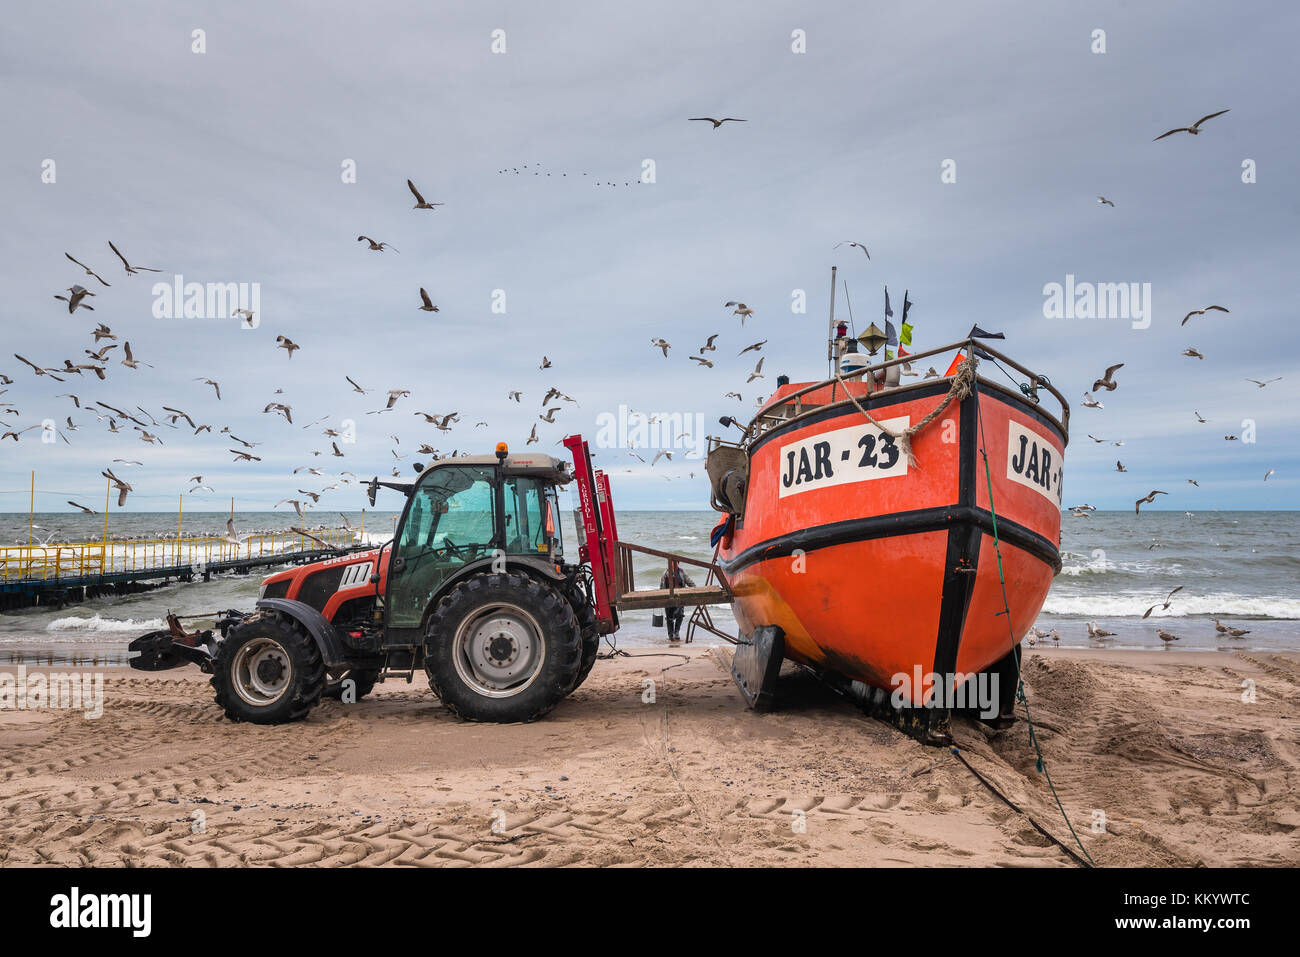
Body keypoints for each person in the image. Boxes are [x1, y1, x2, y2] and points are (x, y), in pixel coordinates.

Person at [660, 564, 695, 641]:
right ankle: (670, 635)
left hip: (680, 597)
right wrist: (662, 598)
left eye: (675, 563)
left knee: (680, 615)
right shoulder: (665, 573)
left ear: (678, 563)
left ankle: (676, 632)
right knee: (669, 618)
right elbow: (662, 586)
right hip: (668, 597)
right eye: (672, 563)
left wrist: (695, 589)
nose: (673, 564)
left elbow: (690, 582)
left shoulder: (682, 572)